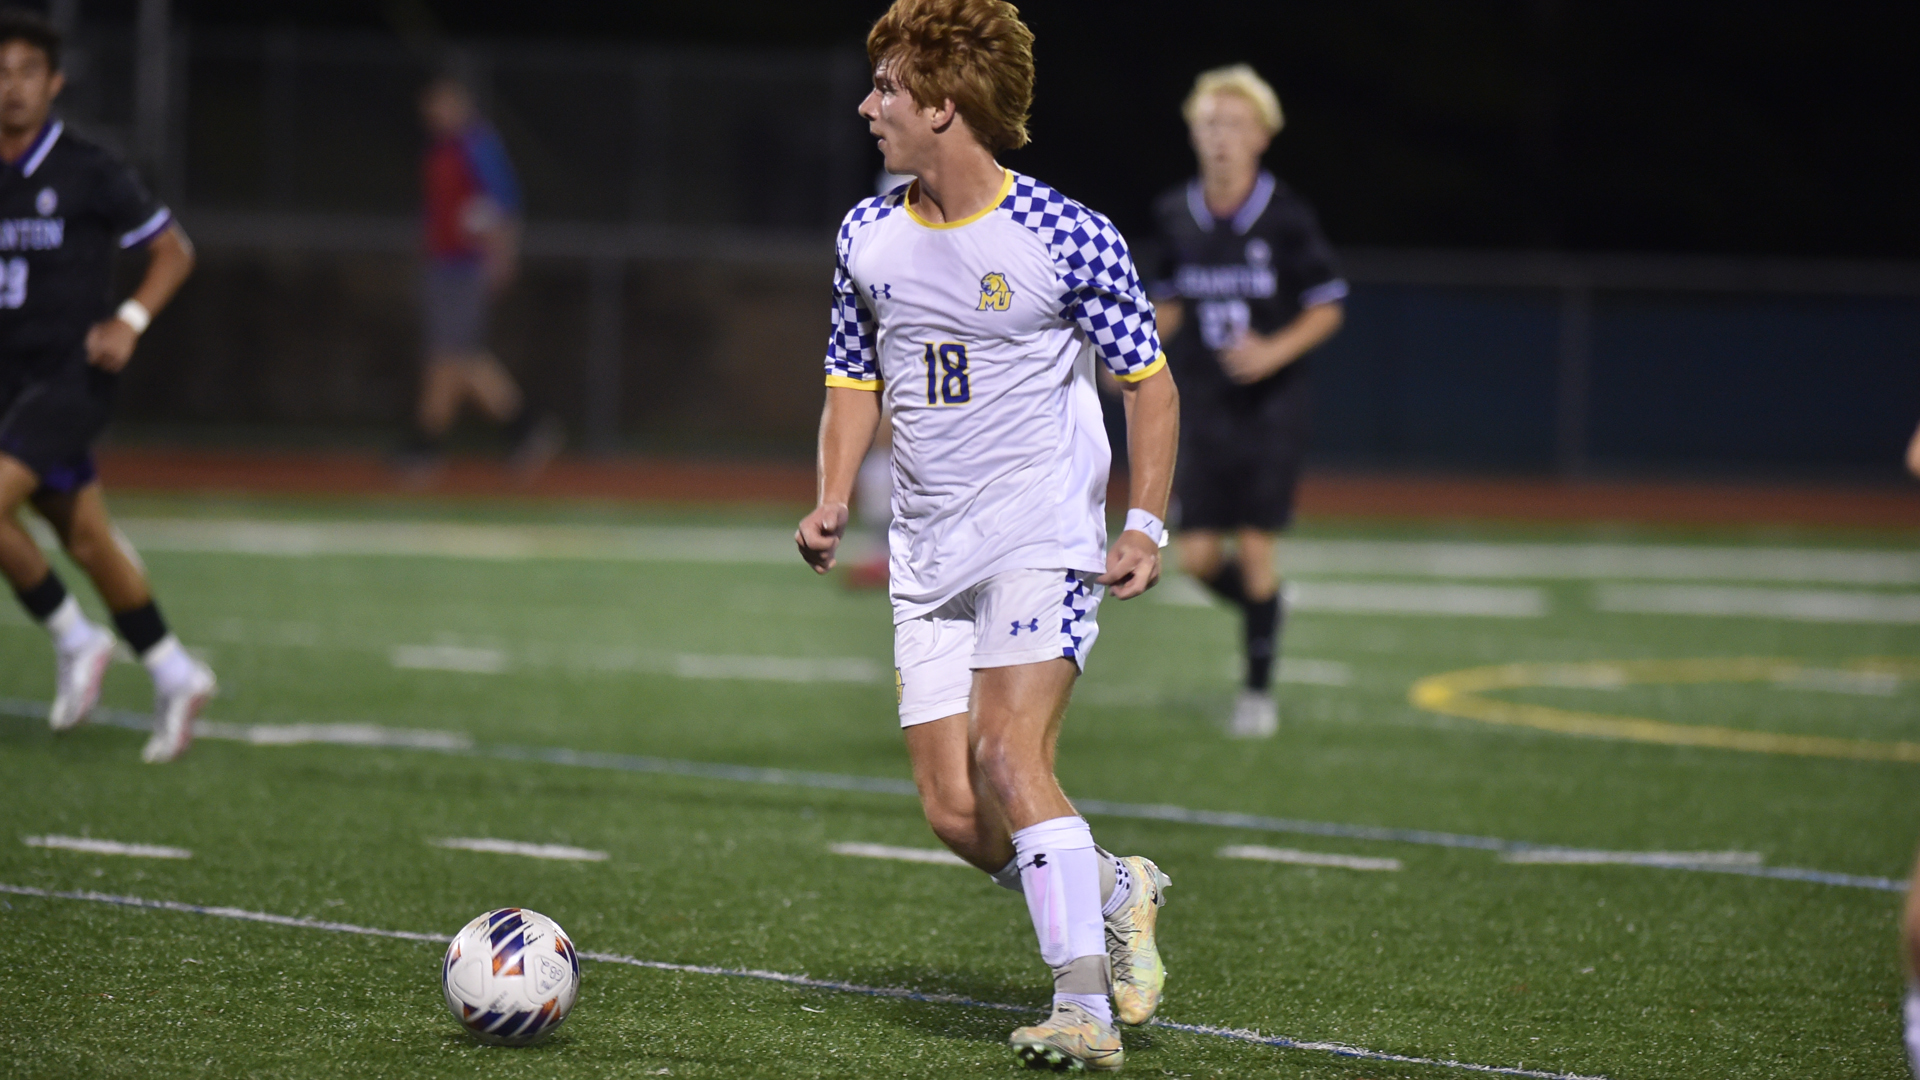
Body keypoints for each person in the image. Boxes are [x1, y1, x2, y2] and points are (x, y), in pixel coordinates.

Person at [795, 1, 1180, 1069]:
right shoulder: (866, 235)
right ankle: (1116, 887)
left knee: (1010, 757)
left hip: (1040, 529)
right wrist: (832, 495)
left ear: (942, 105)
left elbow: (1148, 389)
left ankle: (1083, 1009)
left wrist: (1140, 522)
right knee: (956, 811)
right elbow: (851, 375)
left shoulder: (1066, 233)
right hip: (927, 552)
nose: (869, 105)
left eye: (885, 88)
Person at [0, 10, 213, 762]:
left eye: (27, 72)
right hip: (7, 381)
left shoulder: (87, 168)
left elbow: (173, 250)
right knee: (86, 539)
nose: (13, 87)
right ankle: (174, 670)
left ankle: (74, 636)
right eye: (2, 72)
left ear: (53, 83)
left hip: (68, 378)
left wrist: (129, 319)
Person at [1149, 65, 1347, 739]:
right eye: (1210, 124)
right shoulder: (1177, 212)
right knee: (1199, 560)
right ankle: (1268, 608)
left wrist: (1272, 351)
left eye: (1235, 124)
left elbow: (1327, 306)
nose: (1221, 138)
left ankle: (1256, 694)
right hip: (1202, 404)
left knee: (1257, 547)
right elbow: (1170, 303)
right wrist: (1130, 353)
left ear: (1262, 135)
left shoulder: (1286, 215)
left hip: (1270, 406)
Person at [400, 76, 558, 478]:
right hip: (442, 263)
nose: (433, 113)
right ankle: (522, 429)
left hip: (465, 266)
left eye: (441, 104)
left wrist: (501, 258)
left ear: (460, 104)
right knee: (452, 357)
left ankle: (425, 447)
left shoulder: (476, 146)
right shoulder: (440, 150)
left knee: (451, 355)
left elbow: (503, 204)